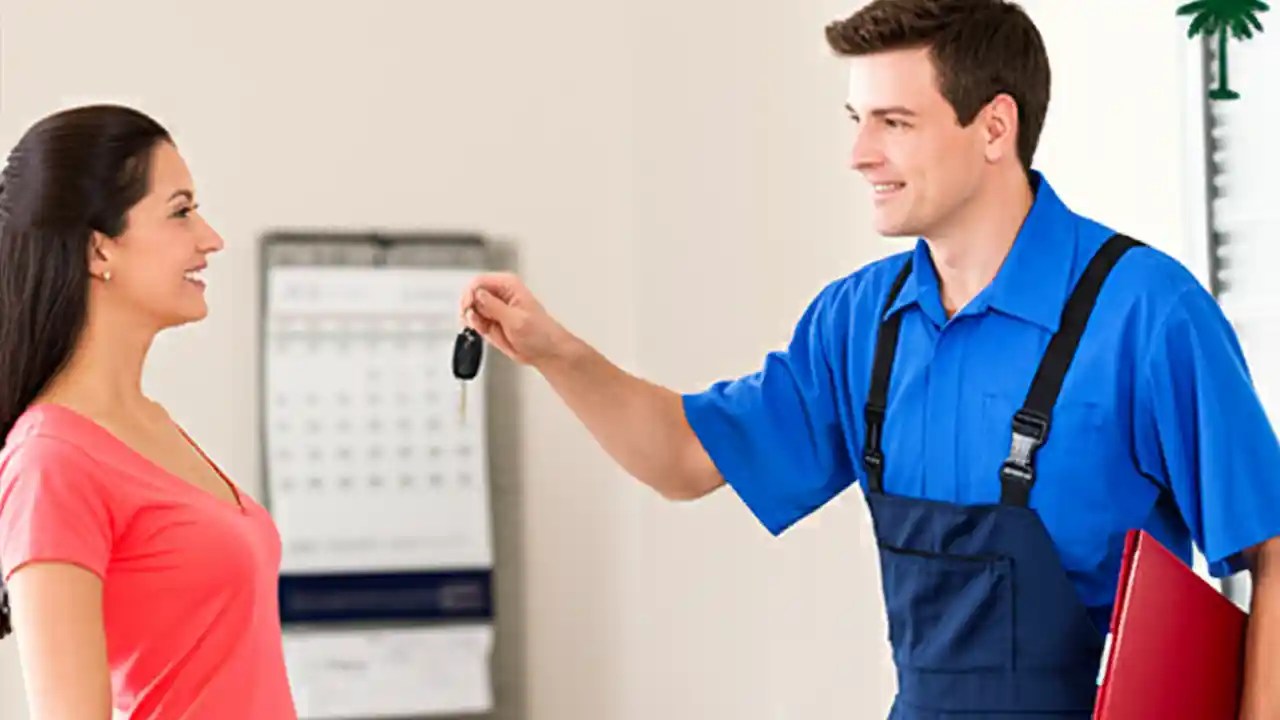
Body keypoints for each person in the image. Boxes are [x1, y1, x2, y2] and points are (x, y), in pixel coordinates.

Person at [460, 0, 1280, 717]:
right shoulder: (858, 324)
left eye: (893, 122)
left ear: (994, 127)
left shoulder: (1148, 313)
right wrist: (555, 353)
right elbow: (681, 457)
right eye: (856, 120)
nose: (859, 154)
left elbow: (1272, 554)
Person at [0, 105, 297, 719]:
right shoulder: (51, 460)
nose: (210, 238)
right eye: (181, 211)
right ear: (98, 250)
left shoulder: (153, 424)